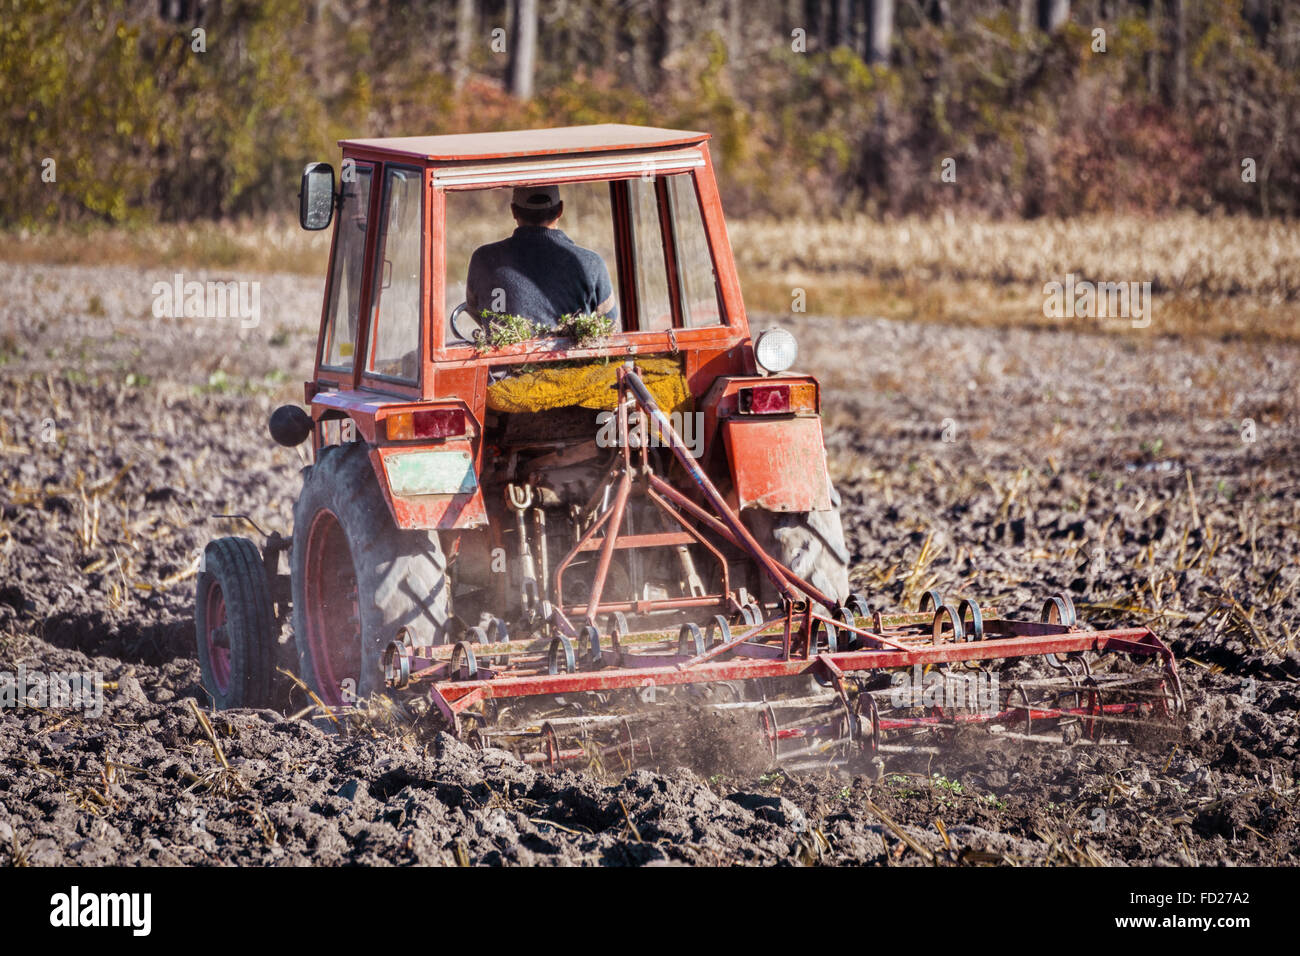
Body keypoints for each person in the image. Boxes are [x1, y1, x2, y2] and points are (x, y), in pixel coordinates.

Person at [465, 185, 618, 329]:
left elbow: (477, 311)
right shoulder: (591, 263)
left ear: (514, 211)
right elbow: (609, 325)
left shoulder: (483, 259)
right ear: (560, 210)